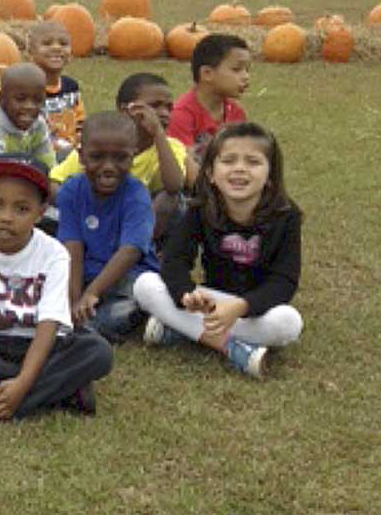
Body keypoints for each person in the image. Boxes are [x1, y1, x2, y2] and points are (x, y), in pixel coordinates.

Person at [0, 157, 113, 420]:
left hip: (38, 345)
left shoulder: (54, 253)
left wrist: (24, 383)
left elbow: (49, 323)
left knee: (97, 352)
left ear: (40, 212)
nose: (6, 217)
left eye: (22, 209)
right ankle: (59, 394)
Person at [134, 122, 302, 379]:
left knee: (288, 323)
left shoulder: (286, 216)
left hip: (253, 310)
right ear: (211, 172)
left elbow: (284, 281)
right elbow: (175, 260)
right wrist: (186, 295)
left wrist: (240, 307)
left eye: (253, 162)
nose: (240, 169)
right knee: (144, 284)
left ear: (270, 175)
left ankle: (180, 330)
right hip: (210, 302)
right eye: (229, 160)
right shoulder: (201, 208)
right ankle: (232, 348)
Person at [51, 73, 191, 246]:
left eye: (169, 108)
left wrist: (158, 132)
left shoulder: (169, 146)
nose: (163, 113)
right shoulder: (100, 142)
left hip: (136, 218)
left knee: (172, 199)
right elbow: (55, 183)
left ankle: (140, 245)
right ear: (126, 110)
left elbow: (174, 185)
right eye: (154, 106)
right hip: (94, 214)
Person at [56, 111, 159, 341]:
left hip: (129, 277)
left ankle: (100, 324)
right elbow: (72, 247)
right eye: (97, 157)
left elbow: (130, 251)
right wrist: (74, 300)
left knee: (122, 310)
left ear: (134, 156)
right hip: (84, 274)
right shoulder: (71, 190)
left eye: (120, 158)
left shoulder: (136, 195)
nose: (108, 167)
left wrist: (92, 293)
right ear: (81, 156)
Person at [167, 33, 250, 166]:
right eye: (237, 69)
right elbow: (185, 169)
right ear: (207, 73)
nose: (246, 76)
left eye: (247, 70)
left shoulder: (236, 112)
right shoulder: (181, 115)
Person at [0, 62, 57, 175]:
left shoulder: (38, 123)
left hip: (26, 175)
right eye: (20, 99)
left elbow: (47, 158)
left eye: (37, 100)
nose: (29, 106)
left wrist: (53, 179)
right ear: (1, 99)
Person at [29, 20, 85, 161]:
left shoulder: (71, 87)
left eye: (63, 43)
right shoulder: (27, 89)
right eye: (47, 43)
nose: (56, 48)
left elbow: (81, 122)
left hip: (71, 152)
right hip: (41, 155)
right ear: (30, 52)